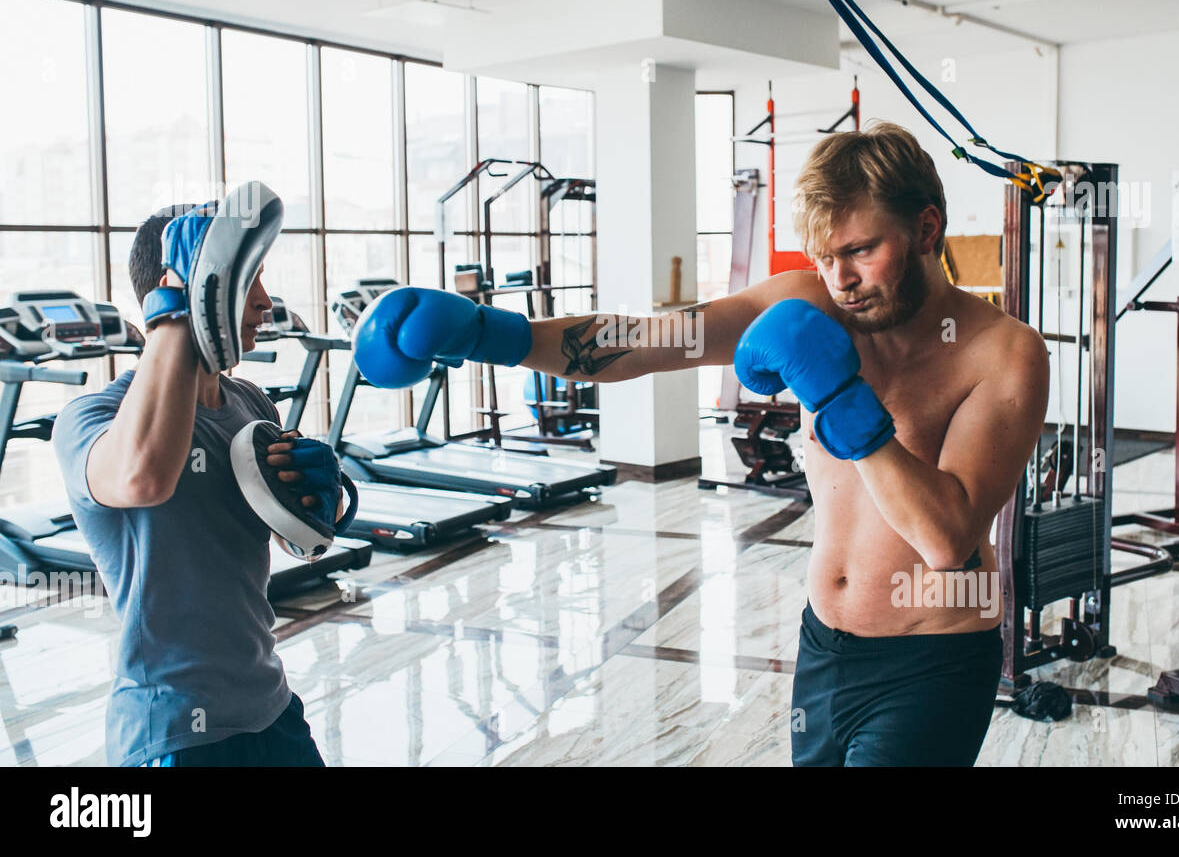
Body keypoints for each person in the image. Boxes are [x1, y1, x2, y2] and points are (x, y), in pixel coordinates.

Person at [352, 121, 1049, 767]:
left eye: (862, 250)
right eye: (825, 256)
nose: (841, 278)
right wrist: (490, 335)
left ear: (927, 228)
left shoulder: (1003, 354)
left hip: (932, 659)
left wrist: (839, 399)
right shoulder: (806, 301)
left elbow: (946, 535)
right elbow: (643, 342)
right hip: (823, 646)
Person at [53, 190, 349, 767]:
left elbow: (296, 540)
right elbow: (141, 479)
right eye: (247, 282)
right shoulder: (91, 418)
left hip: (270, 703)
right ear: (194, 286)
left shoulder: (249, 401)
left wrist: (322, 502)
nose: (265, 302)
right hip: (176, 730)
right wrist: (175, 309)